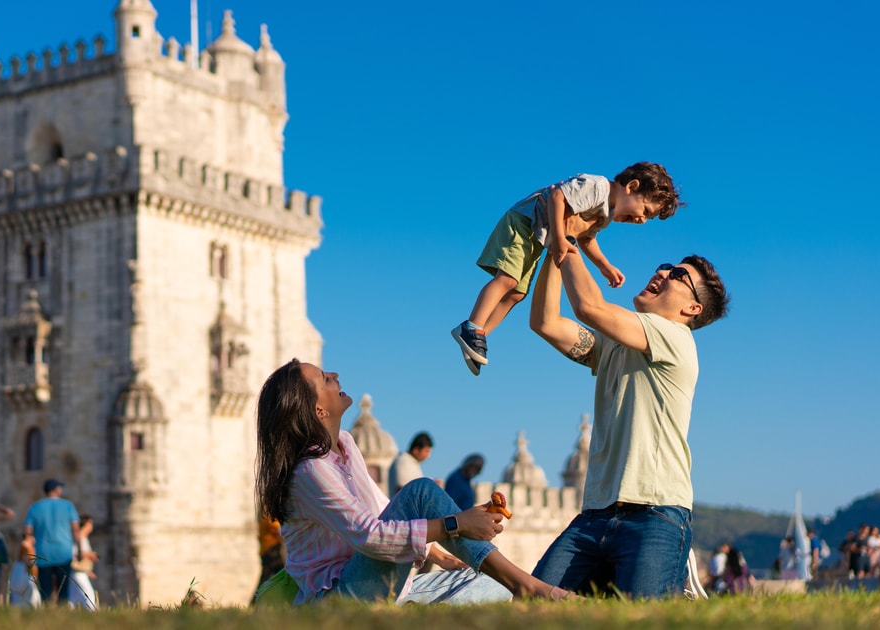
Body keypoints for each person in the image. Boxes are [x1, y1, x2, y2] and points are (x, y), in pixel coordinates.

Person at [254, 359, 574, 605]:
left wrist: (445, 557)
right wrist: (458, 523)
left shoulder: (346, 445)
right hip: (336, 596)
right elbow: (372, 537)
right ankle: (531, 587)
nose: (335, 375)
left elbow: (382, 509)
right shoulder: (310, 470)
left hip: (378, 584)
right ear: (318, 409)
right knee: (419, 490)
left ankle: (415, 611)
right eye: (325, 379)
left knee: (492, 586)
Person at [527, 225, 730, 598]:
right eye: (667, 265)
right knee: (532, 606)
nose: (663, 272)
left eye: (678, 275)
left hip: (655, 513)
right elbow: (545, 323)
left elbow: (589, 307)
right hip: (595, 515)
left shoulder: (675, 338)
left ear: (692, 308)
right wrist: (553, 252)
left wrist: (564, 233)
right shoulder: (615, 345)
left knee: (642, 621)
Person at [451, 162, 684, 375]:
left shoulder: (604, 217)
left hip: (537, 235)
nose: (641, 220)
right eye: (645, 211)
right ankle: (472, 326)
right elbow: (557, 196)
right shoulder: (598, 187)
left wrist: (604, 266)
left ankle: (478, 337)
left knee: (517, 294)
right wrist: (561, 237)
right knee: (508, 281)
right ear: (632, 187)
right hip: (524, 221)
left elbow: (586, 239)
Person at [25, 478, 81, 604]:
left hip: (42, 553)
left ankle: (47, 613)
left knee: (45, 590)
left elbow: (27, 532)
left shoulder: (35, 507)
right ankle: (62, 614)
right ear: (56, 490)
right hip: (64, 552)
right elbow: (76, 530)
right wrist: (80, 549)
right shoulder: (68, 506)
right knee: (63, 589)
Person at [67, 515, 99, 610]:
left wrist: (88, 571)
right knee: (89, 596)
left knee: (72, 599)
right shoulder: (79, 538)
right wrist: (89, 555)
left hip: (80, 572)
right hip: (78, 573)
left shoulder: (83, 538)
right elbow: (74, 554)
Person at [387, 432, 433, 497]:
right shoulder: (403, 461)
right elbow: (402, 488)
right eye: (426, 451)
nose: (428, 455)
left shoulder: (412, 462)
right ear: (416, 450)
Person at [9, 533, 42, 608]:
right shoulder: (26, 546)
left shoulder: (19, 545)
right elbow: (29, 561)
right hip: (26, 576)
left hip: (17, 576)